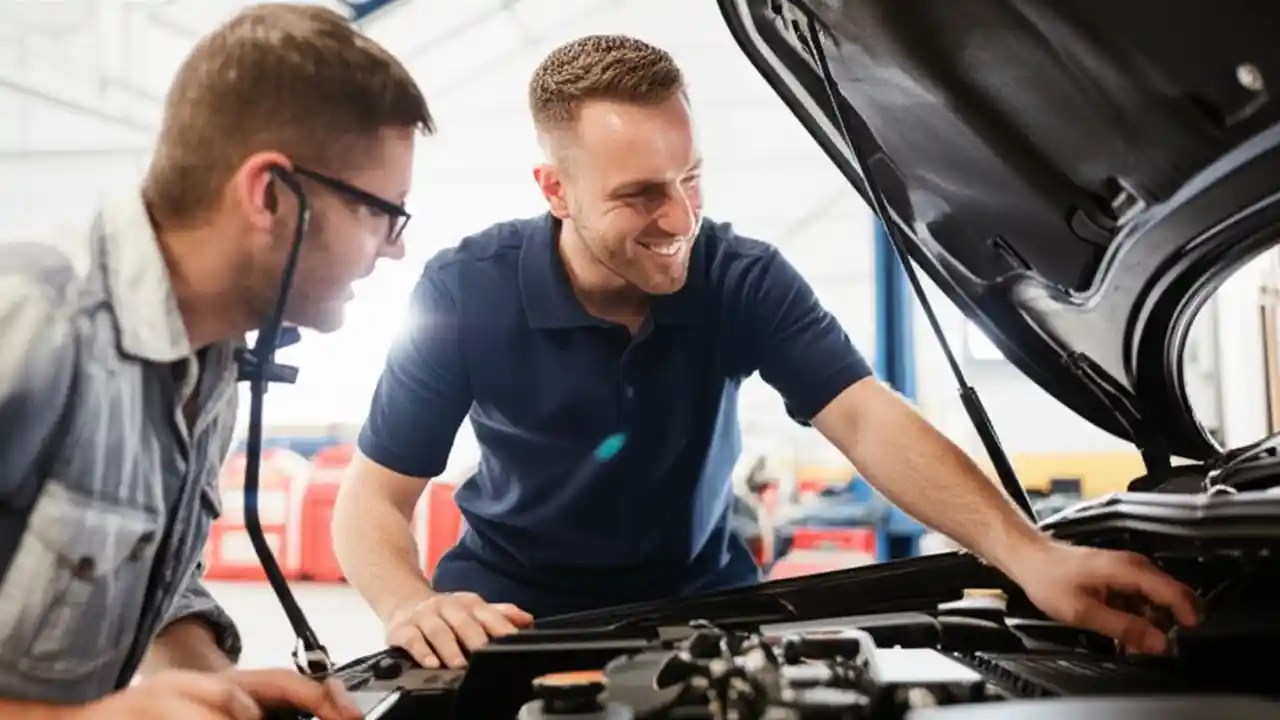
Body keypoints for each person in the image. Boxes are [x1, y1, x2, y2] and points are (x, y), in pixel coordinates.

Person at [331, 34, 1200, 671]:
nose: (679, 220)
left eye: (690, 179)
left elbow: (865, 417)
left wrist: (1031, 554)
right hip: (511, 615)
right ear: (554, 190)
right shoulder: (463, 293)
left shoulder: (739, 278)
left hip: (703, 605)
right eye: (638, 195)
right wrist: (411, 603)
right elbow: (374, 494)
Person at [0, 4, 431, 718]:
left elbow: (151, 580)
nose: (395, 248)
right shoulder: (32, 323)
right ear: (269, 193)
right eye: (381, 211)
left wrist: (214, 684)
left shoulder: (216, 360)